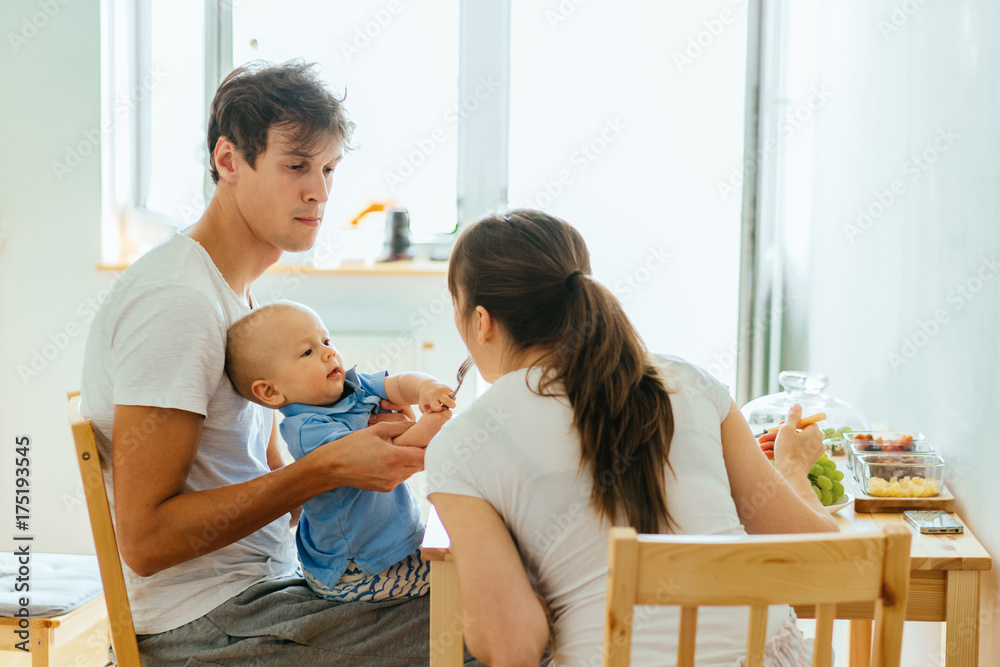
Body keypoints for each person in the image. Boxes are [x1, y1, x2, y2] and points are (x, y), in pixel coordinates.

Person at [81, 60, 478, 665]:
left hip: (267, 588)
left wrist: (356, 442)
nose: (318, 190)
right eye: (296, 166)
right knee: (497, 617)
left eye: (328, 169)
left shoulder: (235, 298)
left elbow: (268, 480)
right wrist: (323, 470)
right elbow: (145, 540)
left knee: (492, 583)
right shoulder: (178, 304)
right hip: (205, 626)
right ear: (228, 160)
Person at [424, 209, 840, 666]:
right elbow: (822, 557)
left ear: (481, 320)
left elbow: (512, 647)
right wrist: (793, 467)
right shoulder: (691, 382)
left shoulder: (460, 445)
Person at [224, 301, 455, 603]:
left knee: (468, 555)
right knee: (461, 582)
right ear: (271, 391)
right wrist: (432, 422)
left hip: (389, 544)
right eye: (308, 352)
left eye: (326, 341)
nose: (328, 352)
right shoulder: (309, 430)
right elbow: (391, 455)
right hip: (357, 570)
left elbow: (398, 384)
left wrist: (428, 388)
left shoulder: (351, 388)